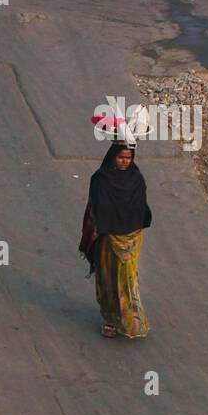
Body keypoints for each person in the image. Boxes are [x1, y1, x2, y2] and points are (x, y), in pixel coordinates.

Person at [79, 142, 152, 338]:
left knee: (127, 278)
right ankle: (111, 320)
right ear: (112, 156)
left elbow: (140, 208)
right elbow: (96, 208)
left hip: (130, 238)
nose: (124, 161)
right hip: (108, 238)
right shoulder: (101, 179)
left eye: (128, 158)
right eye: (121, 157)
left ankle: (132, 320)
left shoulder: (136, 178)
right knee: (108, 278)